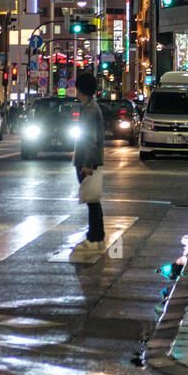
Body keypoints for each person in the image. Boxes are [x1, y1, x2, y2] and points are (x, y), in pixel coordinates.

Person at [69, 71, 106, 262]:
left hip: (86, 161)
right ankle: (97, 235)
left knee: (91, 199)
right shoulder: (88, 107)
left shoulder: (90, 110)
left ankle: (95, 236)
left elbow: (90, 139)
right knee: (92, 199)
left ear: (80, 89)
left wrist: (87, 164)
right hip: (85, 159)